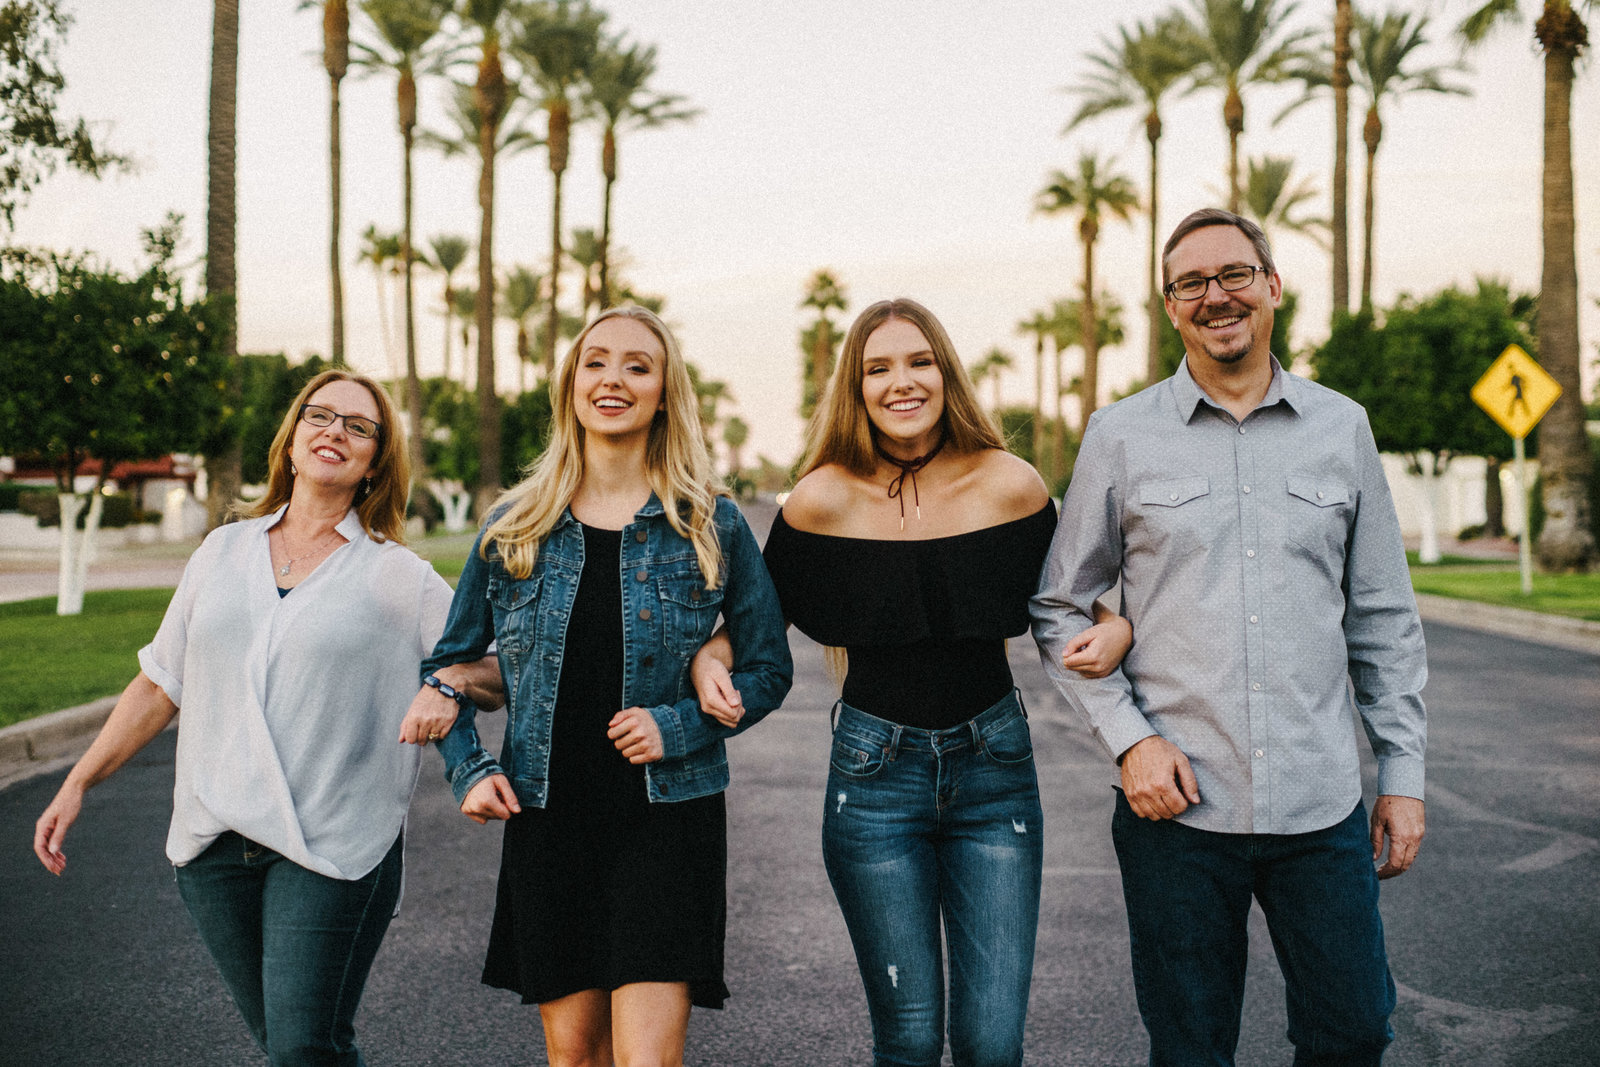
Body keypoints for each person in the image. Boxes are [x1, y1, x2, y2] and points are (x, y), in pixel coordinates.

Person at [1031, 208, 1428, 1066]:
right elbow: (1060, 604)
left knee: (1353, 1032)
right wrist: (1129, 741)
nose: (1217, 295)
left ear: (1273, 287)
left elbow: (1383, 616)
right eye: (1192, 283)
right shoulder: (1120, 435)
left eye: (1235, 274)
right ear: (1169, 306)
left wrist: (1402, 773)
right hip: (1176, 811)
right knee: (1191, 1048)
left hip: (1320, 808)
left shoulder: (1341, 427)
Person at [692, 297, 1132, 1067]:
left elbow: (1088, 597)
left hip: (996, 776)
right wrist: (708, 657)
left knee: (993, 1045)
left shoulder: (1011, 484)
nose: (902, 381)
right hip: (873, 783)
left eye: (919, 361)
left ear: (946, 372)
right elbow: (759, 621)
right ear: (855, 388)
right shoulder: (820, 497)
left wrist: (1119, 627)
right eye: (878, 367)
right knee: (909, 1038)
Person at [32, 370, 500, 1065]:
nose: (334, 430)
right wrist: (78, 782)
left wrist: (451, 681)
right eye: (320, 415)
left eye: (358, 425)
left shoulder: (395, 576)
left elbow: (498, 666)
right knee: (302, 1045)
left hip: (334, 844)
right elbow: (161, 683)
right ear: (291, 439)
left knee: (303, 1045)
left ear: (376, 462)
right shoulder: (222, 551)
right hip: (214, 843)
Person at [407, 305, 792, 1067]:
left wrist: (679, 725)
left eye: (637, 366)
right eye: (596, 362)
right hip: (550, 816)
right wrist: (470, 770)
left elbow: (767, 666)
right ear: (571, 385)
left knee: (648, 1059)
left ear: (662, 394)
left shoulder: (711, 523)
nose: (613, 378)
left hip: (666, 817)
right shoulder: (513, 525)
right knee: (575, 1053)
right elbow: (448, 669)